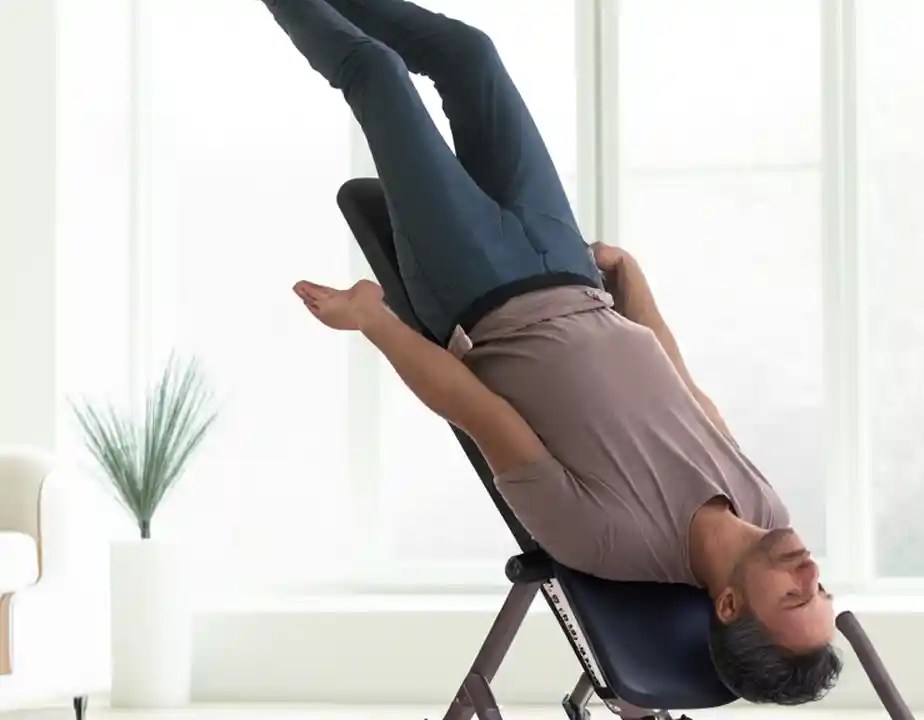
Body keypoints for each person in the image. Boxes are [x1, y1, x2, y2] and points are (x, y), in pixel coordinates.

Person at [260, 0, 841, 704]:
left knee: (377, 73)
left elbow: (475, 409)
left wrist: (374, 322)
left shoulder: (605, 539)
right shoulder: (764, 506)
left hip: (479, 285)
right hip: (570, 265)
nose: (811, 574)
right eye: (821, 591)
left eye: (793, 597)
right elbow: (685, 394)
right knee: (470, 54)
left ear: (728, 607)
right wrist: (634, 283)